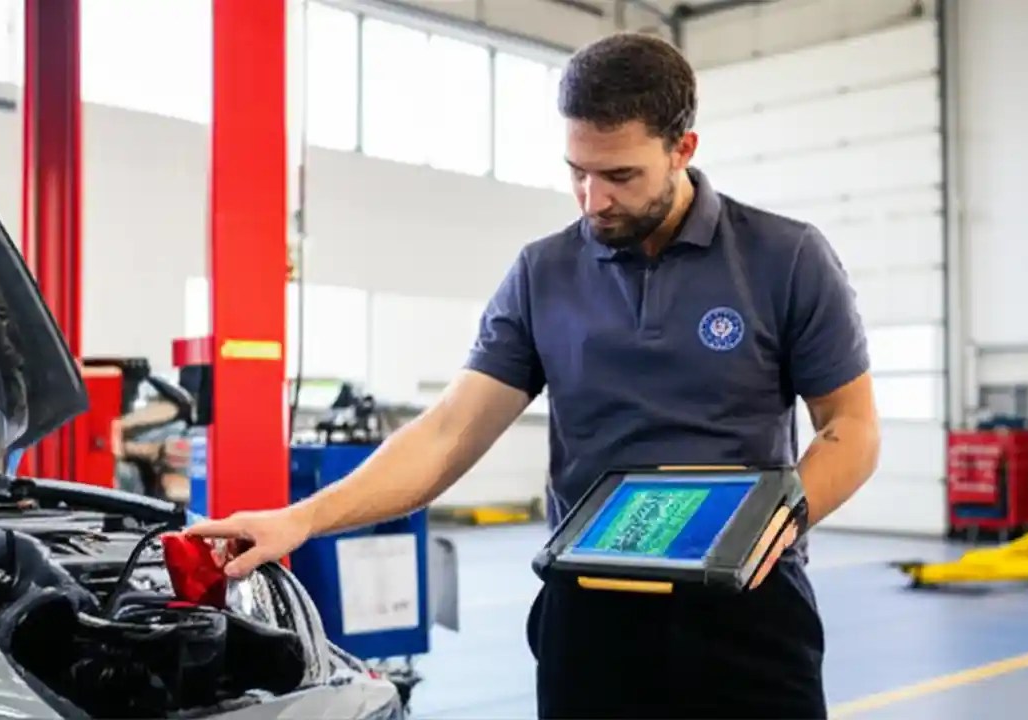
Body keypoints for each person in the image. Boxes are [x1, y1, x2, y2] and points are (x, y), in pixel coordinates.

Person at [186, 31, 880, 720]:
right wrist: (303, 518)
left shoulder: (785, 258)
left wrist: (766, 530)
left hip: (749, 608)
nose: (591, 200)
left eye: (620, 176)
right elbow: (449, 432)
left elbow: (851, 428)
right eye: (576, 170)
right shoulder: (541, 274)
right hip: (592, 616)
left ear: (683, 149)